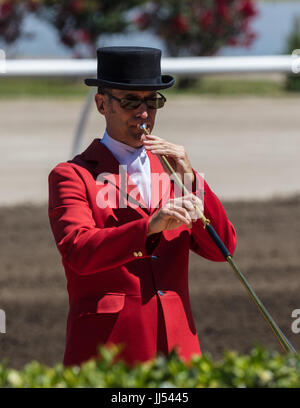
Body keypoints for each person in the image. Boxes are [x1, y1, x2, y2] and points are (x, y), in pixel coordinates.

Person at [48, 46, 236, 367]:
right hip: (110, 349)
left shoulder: (172, 170)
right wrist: (148, 226)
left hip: (179, 348)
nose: (144, 113)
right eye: (131, 101)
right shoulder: (72, 175)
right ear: (101, 104)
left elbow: (223, 249)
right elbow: (78, 250)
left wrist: (191, 179)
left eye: (152, 101)